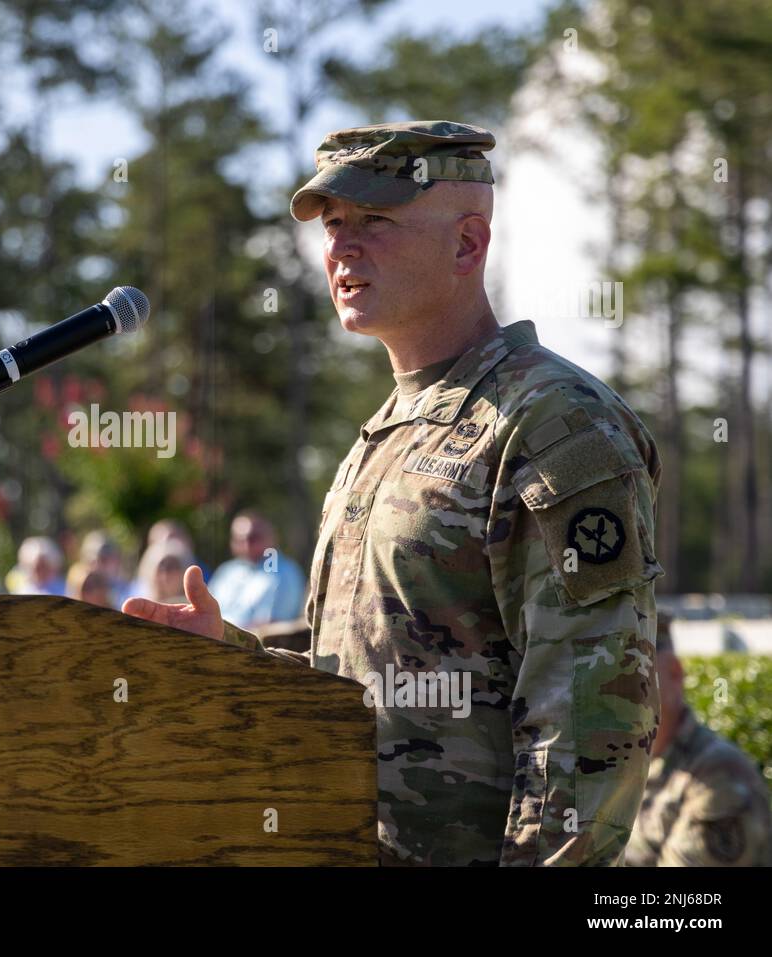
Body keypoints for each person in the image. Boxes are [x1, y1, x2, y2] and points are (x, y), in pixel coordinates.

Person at [124, 120, 664, 866]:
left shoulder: (553, 424)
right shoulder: (386, 433)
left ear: (468, 244)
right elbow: (361, 690)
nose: (342, 247)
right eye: (333, 224)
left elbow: (590, 726)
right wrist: (231, 658)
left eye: (375, 220)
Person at [625, 617, 771, 866]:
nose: (611, 691)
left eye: (629, 673)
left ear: (674, 673)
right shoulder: (620, 765)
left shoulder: (719, 773)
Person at [207, 511, 305, 630]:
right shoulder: (226, 571)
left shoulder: (285, 573)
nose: (247, 545)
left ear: (272, 537)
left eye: (254, 538)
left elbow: (274, 625)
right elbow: (208, 610)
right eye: (240, 539)